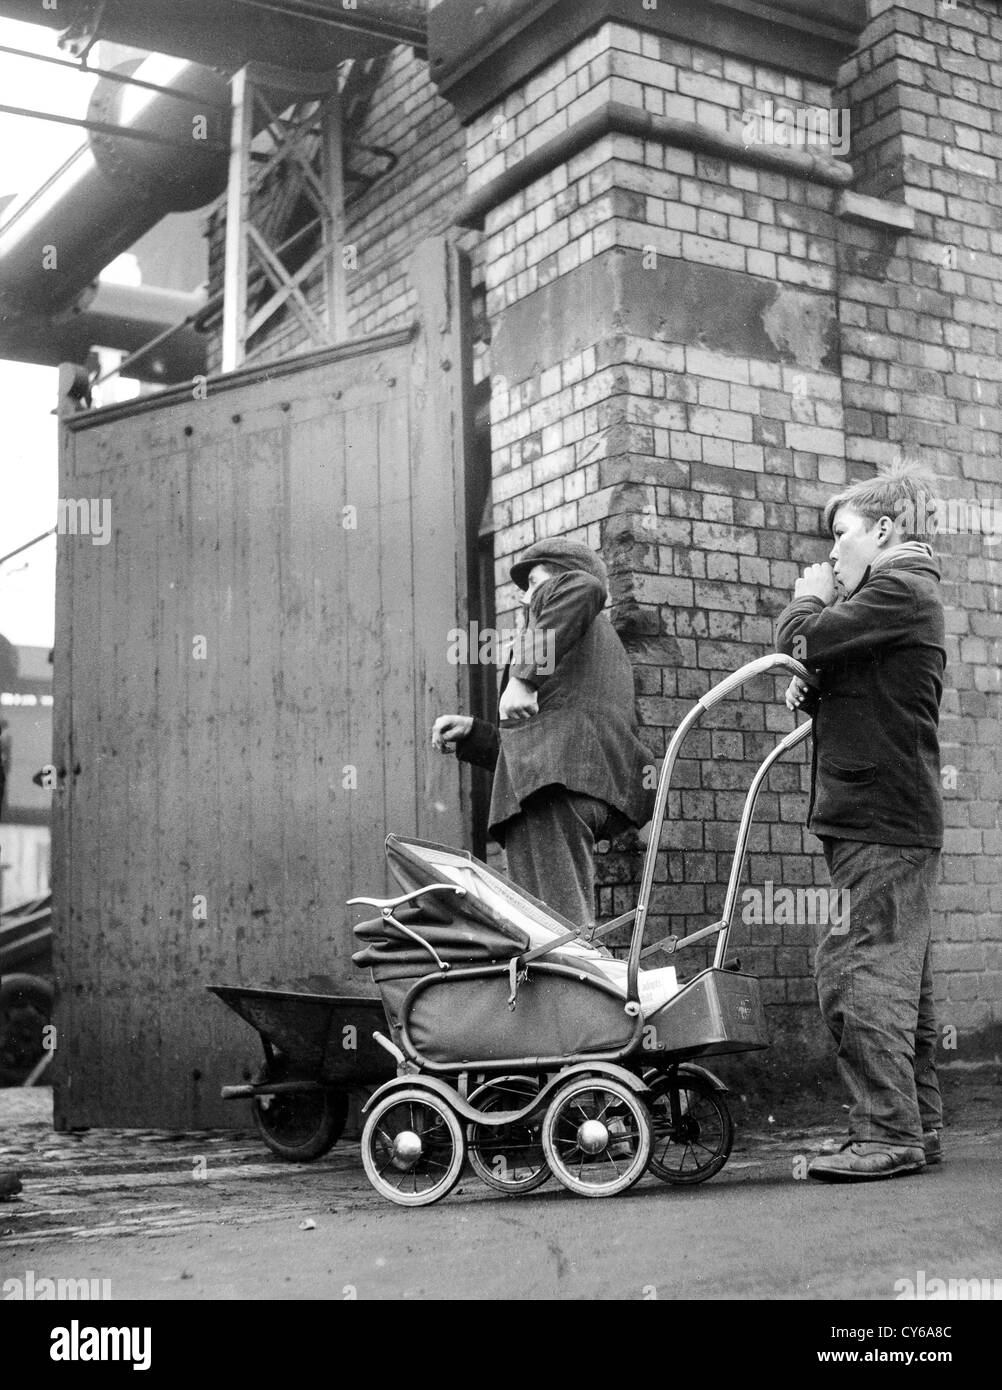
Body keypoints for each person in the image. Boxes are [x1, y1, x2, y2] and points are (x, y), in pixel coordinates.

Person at [776, 460, 946, 1182]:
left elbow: (805, 635)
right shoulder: (899, 595)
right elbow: (870, 687)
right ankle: (916, 1124)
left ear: (883, 530)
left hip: (880, 820)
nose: (828, 555)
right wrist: (818, 687)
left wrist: (805, 607)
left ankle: (886, 1133)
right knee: (900, 977)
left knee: (856, 970)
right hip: (888, 819)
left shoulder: (900, 586)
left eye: (839, 535)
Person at [432, 538, 654, 927]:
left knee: (553, 936)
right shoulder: (593, 644)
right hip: (572, 786)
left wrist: (525, 679)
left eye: (533, 582)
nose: (525, 599)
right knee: (559, 926)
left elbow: (586, 585)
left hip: (549, 792)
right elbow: (545, 731)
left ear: (562, 579)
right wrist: (475, 735)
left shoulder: (578, 596)